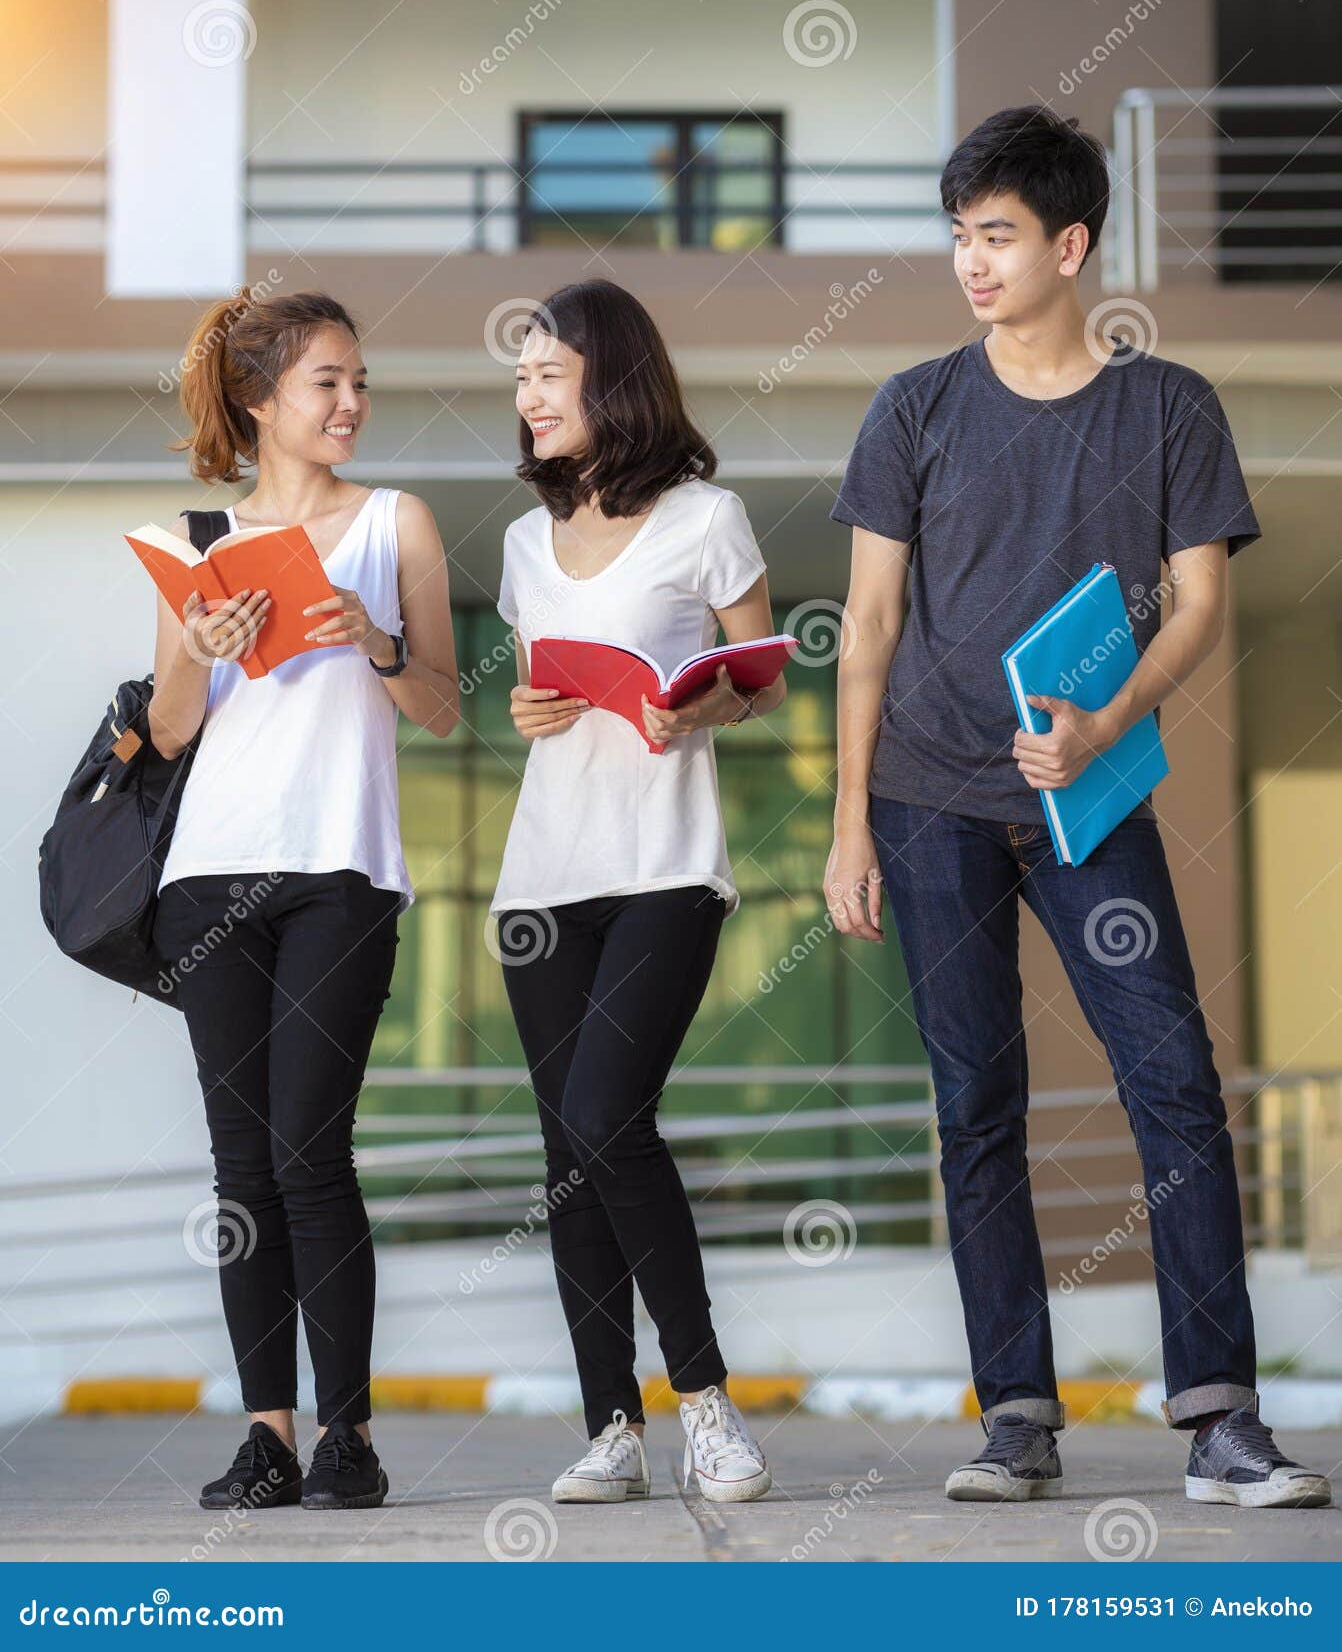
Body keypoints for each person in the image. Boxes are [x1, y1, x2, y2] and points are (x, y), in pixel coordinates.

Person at [826, 106, 1330, 1510]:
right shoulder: (913, 406)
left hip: (1089, 798)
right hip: (927, 795)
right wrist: (849, 819)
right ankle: (1016, 1420)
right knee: (974, 1102)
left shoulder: (1165, 405)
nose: (971, 261)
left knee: (1172, 1080)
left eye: (995, 235)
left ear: (1069, 245)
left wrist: (1105, 723)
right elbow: (869, 624)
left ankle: (1220, 1422)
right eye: (958, 236)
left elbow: (1199, 601)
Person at [149, 287, 459, 1511]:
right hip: (208, 877)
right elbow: (169, 731)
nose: (351, 402)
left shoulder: (396, 522)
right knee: (243, 1168)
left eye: (357, 381)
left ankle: (350, 1437)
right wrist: (197, 647)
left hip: (340, 869)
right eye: (327, 381)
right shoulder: (197, 542)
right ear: (259, 400)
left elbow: (443, 706)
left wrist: (376, 641)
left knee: (309, 1153)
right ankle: (267, 1437)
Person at [491, 278, 782, 1506]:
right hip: (541, 877)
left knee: (609, 1113)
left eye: (547, 376)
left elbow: (759, 677)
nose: (527, 397)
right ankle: (611, 1426)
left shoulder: (705, 516)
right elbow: (537, 691)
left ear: (608, 380)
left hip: (666, 865)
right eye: (521, 379)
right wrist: (527, 705)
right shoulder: (525, 542)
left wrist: (695, 704)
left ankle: (705, 1401)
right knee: (569, 1150)